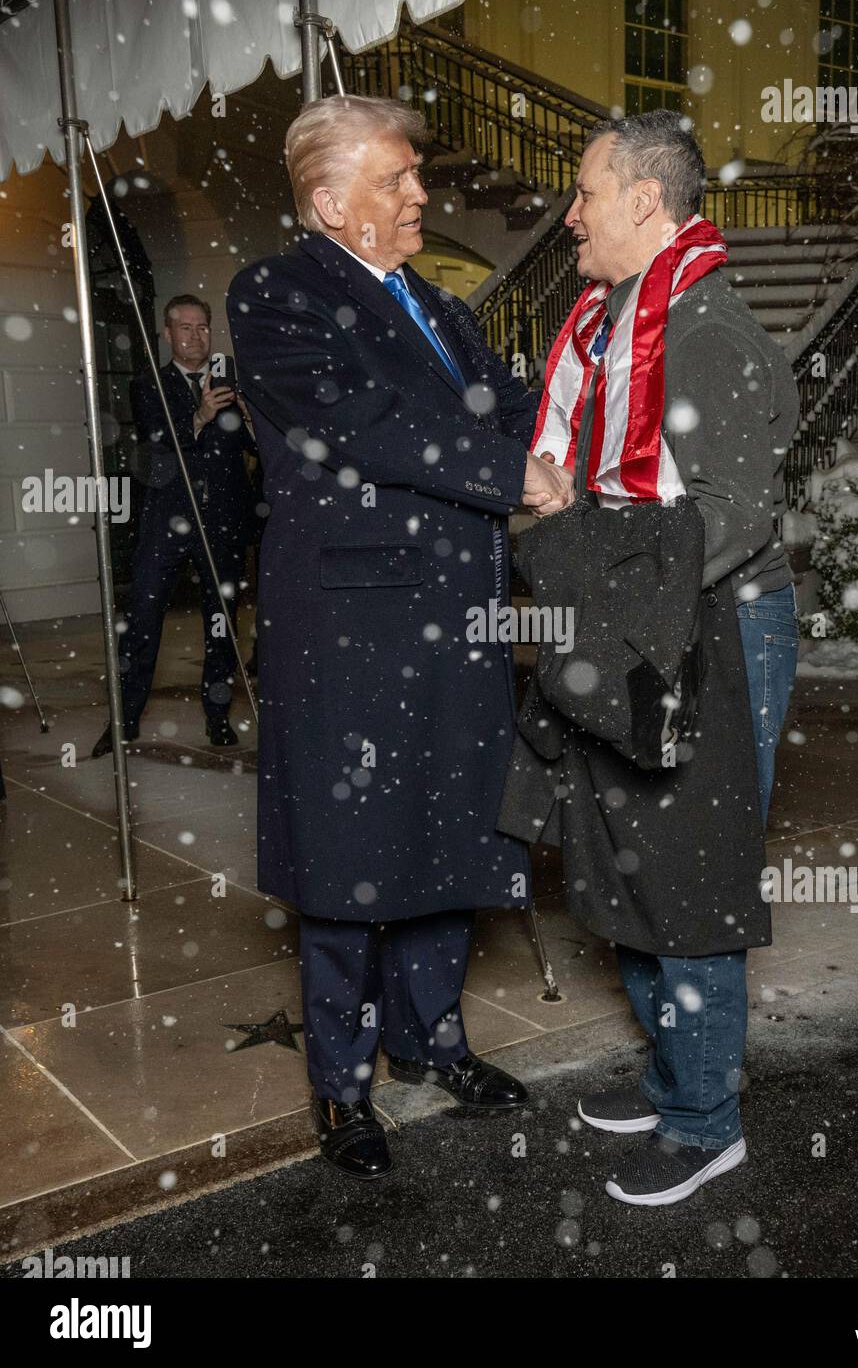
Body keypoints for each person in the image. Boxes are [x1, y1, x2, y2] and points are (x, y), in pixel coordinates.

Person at [227, 94, 573, 1180]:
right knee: (350, 855)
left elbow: (503, 403)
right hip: (351, 628)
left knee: (451, 828)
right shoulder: (277, 292)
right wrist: (503, 470)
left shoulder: (435, 301)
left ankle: (431, 1041)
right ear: (331, 203)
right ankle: (341, 1086)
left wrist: (588, 419)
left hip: (455, 617)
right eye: (394, 178)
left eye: (414, 175)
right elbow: (351, 423)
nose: (419, 192)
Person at [504, 110, 800, 1206]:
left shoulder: (702, 334)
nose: (568, 215)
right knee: (628, 858)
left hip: (715, 631)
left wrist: (576, 541)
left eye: (584, 193)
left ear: (644, 200)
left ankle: (702, 1119)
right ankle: (674, 1069)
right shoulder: (606, 326)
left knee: (688, 879)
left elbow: (724, 517)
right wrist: (565, 513)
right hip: (638, 625)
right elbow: (618, 491)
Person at [92, 295, 254, 756]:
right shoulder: (149, 385)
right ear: (166, 333)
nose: (195, 336)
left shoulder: (230, 384)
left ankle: (218, 716)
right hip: (166, 519)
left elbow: (257, 449)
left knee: (221, 624)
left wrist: (249, 416)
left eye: (202, 327)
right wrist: (200, 416)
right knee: (142, 619)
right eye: (185, 327)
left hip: (222, 522)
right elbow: (159, 443)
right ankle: (124, 720)